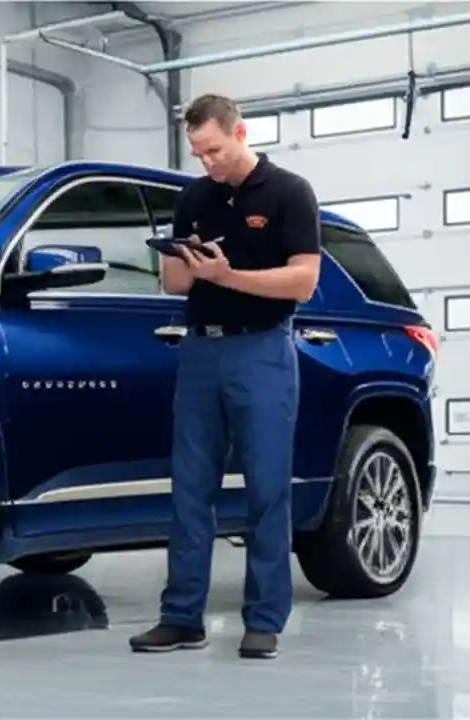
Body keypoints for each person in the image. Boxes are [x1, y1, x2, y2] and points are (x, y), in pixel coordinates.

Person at [128, 94, 321, 660]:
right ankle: (181, 617)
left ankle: (264, 620)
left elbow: (303, 281)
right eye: (197, 153)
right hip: (200, 354)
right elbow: (175, 286)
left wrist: (228, 274)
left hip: (262, 352)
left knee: (265, 488)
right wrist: (178, 258)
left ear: (240, 132)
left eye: (213, 149)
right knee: (189, 490)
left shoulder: (290, 192)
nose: (207, 161)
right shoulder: (194, 197)